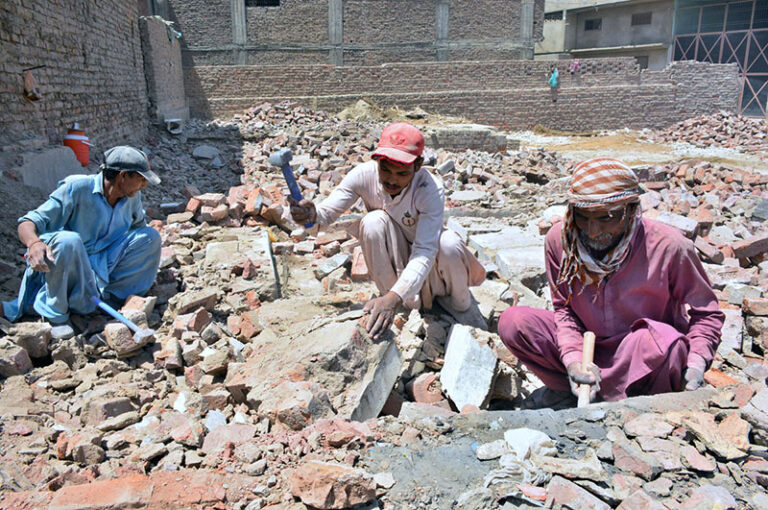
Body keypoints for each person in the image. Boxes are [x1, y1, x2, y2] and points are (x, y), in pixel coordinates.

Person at [498, 157, 724, 405]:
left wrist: (696, 362)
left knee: (664, 341)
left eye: (606, 218)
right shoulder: (560, 241)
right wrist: (573, 359)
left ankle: (639, 407)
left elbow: (707, 314)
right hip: (588, 349)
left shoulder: (669, 246)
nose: (593, 231)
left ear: (631, 210)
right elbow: (564, 309)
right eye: (583, 217)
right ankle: (574, 387)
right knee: (514, 322)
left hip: (644, 356)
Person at [289, 122, 486, 339]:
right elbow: (324, 217)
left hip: (434, 265)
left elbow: (424, 251)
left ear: (418, 165)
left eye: (402, 173)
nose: (392, 179)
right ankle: (398, 304)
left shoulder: (429, 189)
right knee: (372, 222)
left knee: (448, 243)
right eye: (385, 169)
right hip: (397, 261)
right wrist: (309, 214)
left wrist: (395, 297)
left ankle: (459, 307)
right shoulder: (363, 175)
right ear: (377, 161)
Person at [1, 146, 162, 326]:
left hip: (102, 262)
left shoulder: (132, 196)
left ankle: (112, 299)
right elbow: (28, 222)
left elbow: (138, 229)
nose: (144, 185)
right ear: (123, 176)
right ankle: (56, 315)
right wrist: (34, 243)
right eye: (140, 179)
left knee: (150, 237)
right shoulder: (77, 188)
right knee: (69, 240)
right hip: (69, 263)